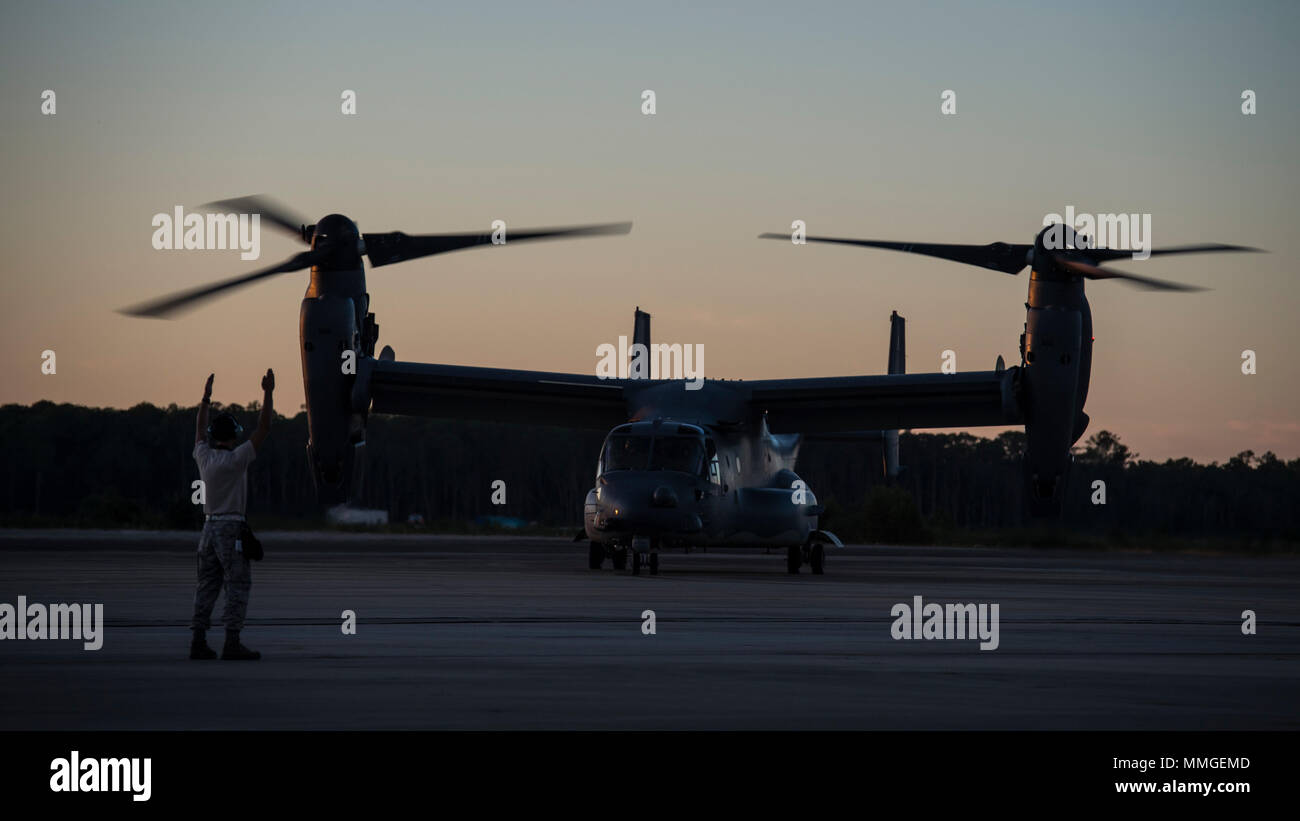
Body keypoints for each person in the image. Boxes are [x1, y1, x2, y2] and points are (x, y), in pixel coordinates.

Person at [189, 369, 274, 661]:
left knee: (206, 586)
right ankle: (232, 642)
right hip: (231, 528)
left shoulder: (204, 457)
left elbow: (199, 430)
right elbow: (264, 427)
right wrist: (268, 392)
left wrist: (205, 398)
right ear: (234, 436)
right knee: (237, 584)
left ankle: (198, 641)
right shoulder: (238, 459)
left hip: (208, 529)